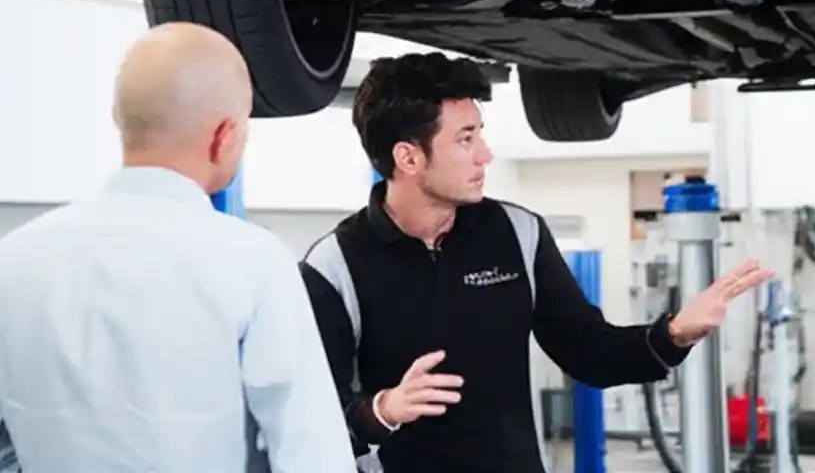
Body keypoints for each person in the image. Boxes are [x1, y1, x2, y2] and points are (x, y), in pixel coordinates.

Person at [299, 53, 773, 473]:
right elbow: (312, 422)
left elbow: (589, 350)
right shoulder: (335, 266)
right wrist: (383, 410)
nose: (485, 154)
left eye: (480, 135)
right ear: (408, 157)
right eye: (466, 140)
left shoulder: (516, 234)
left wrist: (674, 334)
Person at [0, 22, 357, 473]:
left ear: (118, 118)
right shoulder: (253, 262)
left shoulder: (7, 263)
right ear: (224, 136)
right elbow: (312, 456)